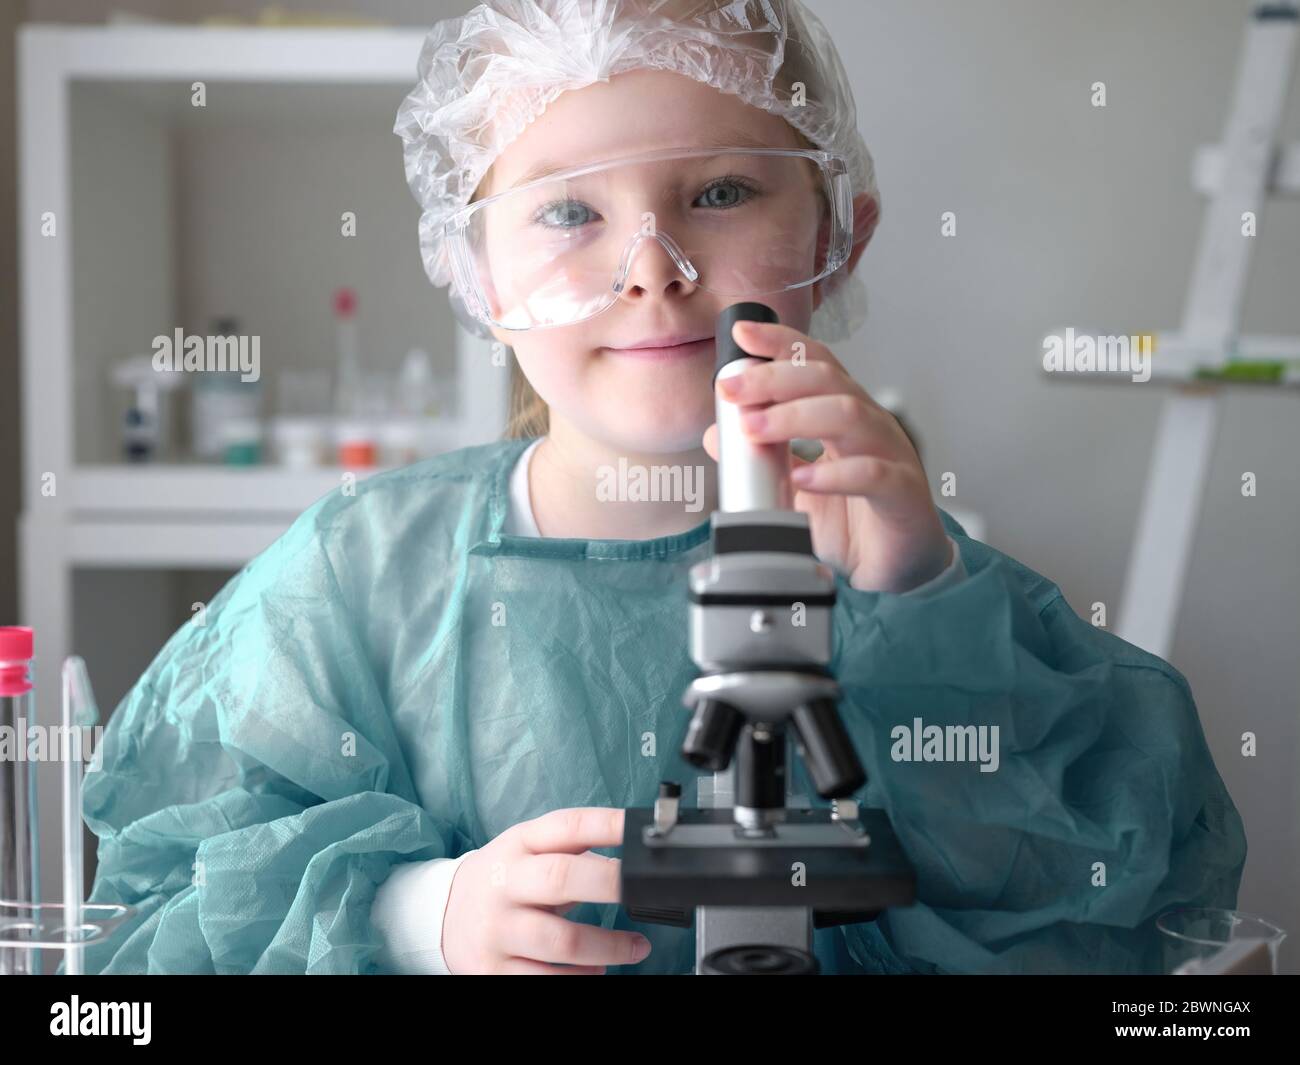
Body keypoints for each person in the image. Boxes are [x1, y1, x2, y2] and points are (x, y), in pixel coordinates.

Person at [80, 0, 1245, 975]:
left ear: (842, 233)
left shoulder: (916, 568)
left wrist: (923, 606)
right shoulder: (359, 578)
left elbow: (1111, 905)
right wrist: (419, 916)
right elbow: (169, 903)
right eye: (570, 210)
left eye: (724, 193)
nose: (654, 271)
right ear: (473, 268)